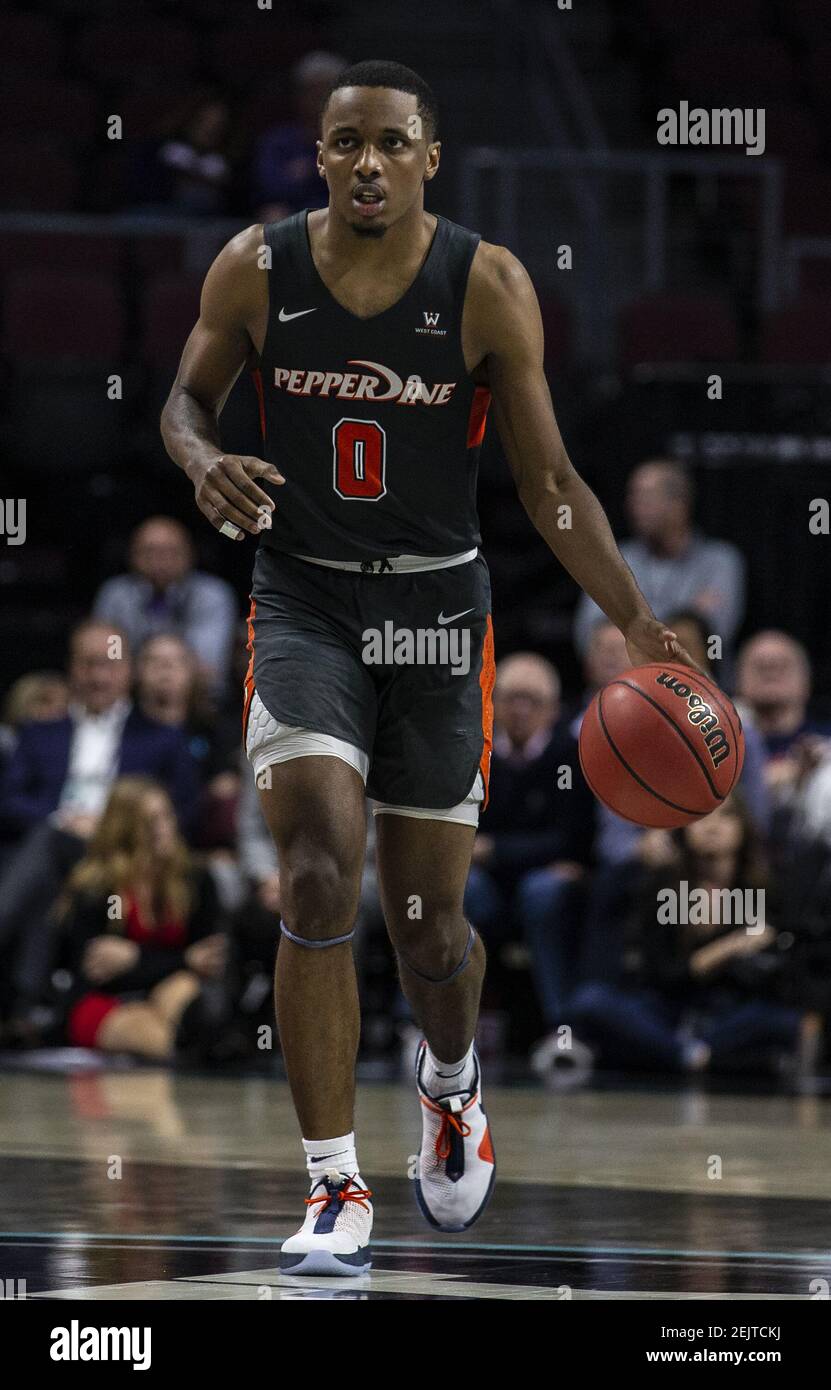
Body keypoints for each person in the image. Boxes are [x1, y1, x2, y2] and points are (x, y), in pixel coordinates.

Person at [160, 59, 699, 1276]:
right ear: (319, 152)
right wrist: (199, 461)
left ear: (429, 159)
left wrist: (636, 620)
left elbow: (551, 486)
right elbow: (182, 404)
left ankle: (451, 1084)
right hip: (301, 600)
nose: (365, 163)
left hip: (437, 620)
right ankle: (333, 1186)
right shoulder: (254, 266)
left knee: (432, 929)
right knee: (311, 877)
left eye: (390, 144)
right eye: (344, 142)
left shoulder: (487, 283)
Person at [0, 620, 199, 1026]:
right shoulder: (41, 732)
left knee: (45, 850)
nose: (99, 675)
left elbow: (186, 810)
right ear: (73, 669)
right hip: (56, 848)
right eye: (88, 664)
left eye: (109, 664)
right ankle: (25, 1012)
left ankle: (26, 1004)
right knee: (49, 861)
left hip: (123, 857)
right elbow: (9, 800)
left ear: (128, 670)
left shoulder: (161, 738)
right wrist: (64, 821)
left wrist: (105, 826)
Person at [568, 794, 819, 1081]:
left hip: (729, 1013)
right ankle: (693, 1056)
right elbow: (659, 975)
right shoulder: (663, 886)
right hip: (667, 1010)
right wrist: (729, 947)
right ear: (683, 828)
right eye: (700, 817)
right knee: (590, 1002)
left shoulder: (764, 888)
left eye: (726, 816)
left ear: (743, 827)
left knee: (784, 1022)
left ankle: (678, 1055)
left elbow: (773, 976)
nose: (712, 827)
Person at [56, 778, 229, 1061]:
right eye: (150, 822)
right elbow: (96, 972)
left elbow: (206, 961)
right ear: (125, 830)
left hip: (166, 988)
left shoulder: (195, 879)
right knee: (155, 1035)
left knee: (191, 1000)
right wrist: (182, 960)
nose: (164, 829)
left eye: (167, 816)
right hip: (102, 999)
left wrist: (135, 959)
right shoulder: (97, 886)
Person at [573, 459, 746, 673]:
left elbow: (712, 638)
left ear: (679, 505)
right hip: (623, 685)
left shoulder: (720, 560)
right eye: (633, 496)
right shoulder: (613, 559)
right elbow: (589, 633)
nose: (633, 505)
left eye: (645, 497)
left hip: (698, 688)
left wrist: (630, 625)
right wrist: (683, 620)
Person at [93, 516, 238, 698]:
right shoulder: (116, 595)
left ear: (190, 555)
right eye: (149, 551)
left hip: (198, 701)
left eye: (170, 551)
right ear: (132, 555)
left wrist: (142, 667)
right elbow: (110, 658)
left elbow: (206, 665)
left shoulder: (212, 595)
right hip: (129, 699)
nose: (159, 560)